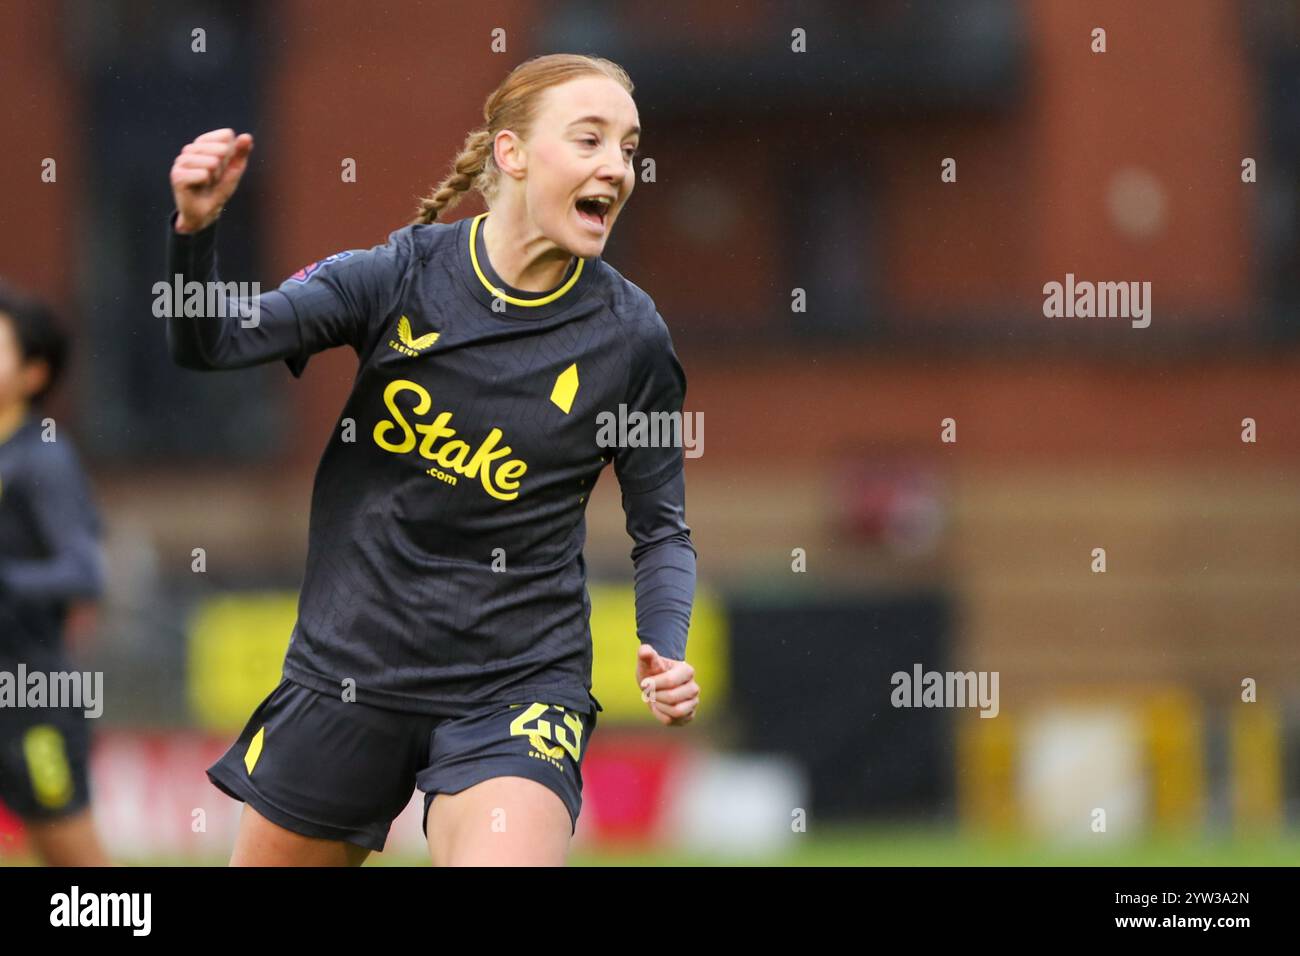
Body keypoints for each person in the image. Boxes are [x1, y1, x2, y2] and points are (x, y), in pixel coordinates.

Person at [164, 53, 700, 866]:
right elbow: (215, 343)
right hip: (349, 670)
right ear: (511, 154)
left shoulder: (634, 340)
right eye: (589, 140)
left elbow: (661, 530)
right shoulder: (396, 276)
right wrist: (196, 234)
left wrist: (665, 642)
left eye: (628, 148)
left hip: (518, 685)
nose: (616, 169)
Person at [0, 281, 109, 866]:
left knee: (75, 864)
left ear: (33, 375)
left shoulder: (43, 459)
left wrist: (8, 580)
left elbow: (85, 572)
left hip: (30, 701)